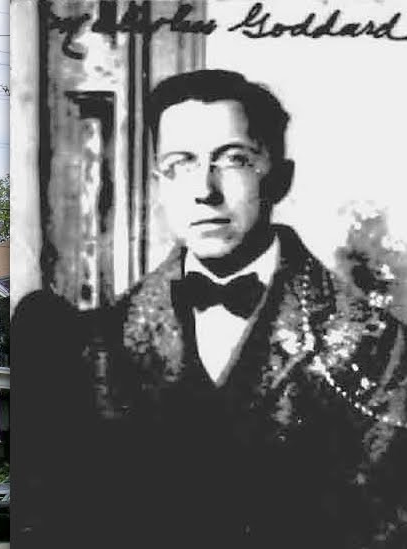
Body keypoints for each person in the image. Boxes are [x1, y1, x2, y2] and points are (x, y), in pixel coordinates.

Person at [69, 69, 407, 549]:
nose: (204, 189)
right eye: (181, 164)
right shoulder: (97, 344)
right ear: (159, 184)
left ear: (280, 178)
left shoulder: (378, 345)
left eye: (233, 160)